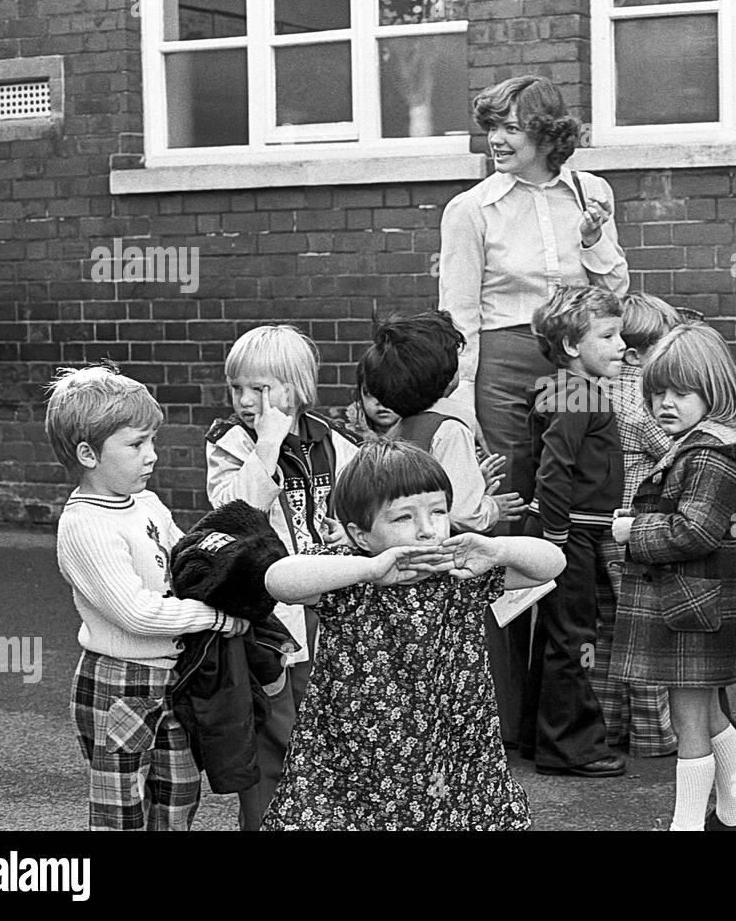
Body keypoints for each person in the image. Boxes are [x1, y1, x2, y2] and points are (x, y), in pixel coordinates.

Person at [439, 73, 629, 743]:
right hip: (505, 368)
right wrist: (460, 416)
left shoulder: (593, 193)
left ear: (549, 135)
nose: (496, 138)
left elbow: (617, 290)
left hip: (574, 363)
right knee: (513, 527)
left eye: (512, 126)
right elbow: (457, 319)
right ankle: (504, 715)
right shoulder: (471, 209)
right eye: (491, 124)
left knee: (573, 526)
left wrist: (593, 237)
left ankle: (568, 705)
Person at [260, 439, 566, 830]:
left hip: (454, 744)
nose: (426, 530)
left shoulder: (462, 572)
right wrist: (369, 570)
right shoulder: (350, 576)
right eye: (403, 518)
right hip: (354, 757)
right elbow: (278, 580)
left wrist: (495, 547)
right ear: (361, 534)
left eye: (438, 512)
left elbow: (551, 564)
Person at [47, 364, 247, 830]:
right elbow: (137, 612)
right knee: (121, 805)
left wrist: (234, 567)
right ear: (87, 453)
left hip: (172, 675)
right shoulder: (85, 525)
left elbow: (185, 558)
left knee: (179, 789)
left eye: (151, 441)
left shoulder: (147, 502)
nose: (152, 456)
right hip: (119, 681)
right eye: (136, 445)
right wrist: (215, 618)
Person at [611, 324, 736, 830]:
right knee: (711, 714)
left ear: (714, 390)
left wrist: (631, 531)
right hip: (703, 604)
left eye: (681, 392)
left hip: (692, 609)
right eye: (657, 391)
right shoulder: (721, 442)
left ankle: (686, 825)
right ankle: (732, 815)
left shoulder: (706, 454)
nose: (665, 403)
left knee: (690, 727)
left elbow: (692, 534)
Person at [204, 324, 360, 830]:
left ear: (295, 388)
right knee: (273, 731)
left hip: (327, 606)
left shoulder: (335, 442)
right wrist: (266, 444)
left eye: (261, 388)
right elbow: (236, 511)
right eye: (237, 388)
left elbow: (363, 513)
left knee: (332, 730)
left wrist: (349, 535)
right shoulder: (229, 443)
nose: (246, 400)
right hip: (269, 615)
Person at [521, 285, 627, 777]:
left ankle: (538, 737)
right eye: (606, 335)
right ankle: (572, 747)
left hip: (568, 530)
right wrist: (558, 538)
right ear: (570, 347)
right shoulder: (577, 394)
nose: (620, 344)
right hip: (571, 535)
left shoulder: (561, 389)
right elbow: (553, 469)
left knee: (557, 636)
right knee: (576, 639)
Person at [593, 293, 681, 758]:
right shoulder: (639, 401)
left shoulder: (594, 391)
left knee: (609, 627)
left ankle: (609, 724)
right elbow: (672, 450)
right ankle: (653, 732)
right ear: (635, 355)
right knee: (645, 630)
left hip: (603, 527)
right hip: (637, 526)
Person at [359, 310, 525, 534]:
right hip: (444, 554)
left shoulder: (400, 426)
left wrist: (473, 483)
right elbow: (463, 515)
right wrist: (492, 507)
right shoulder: (450, 429)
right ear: (446, 370)